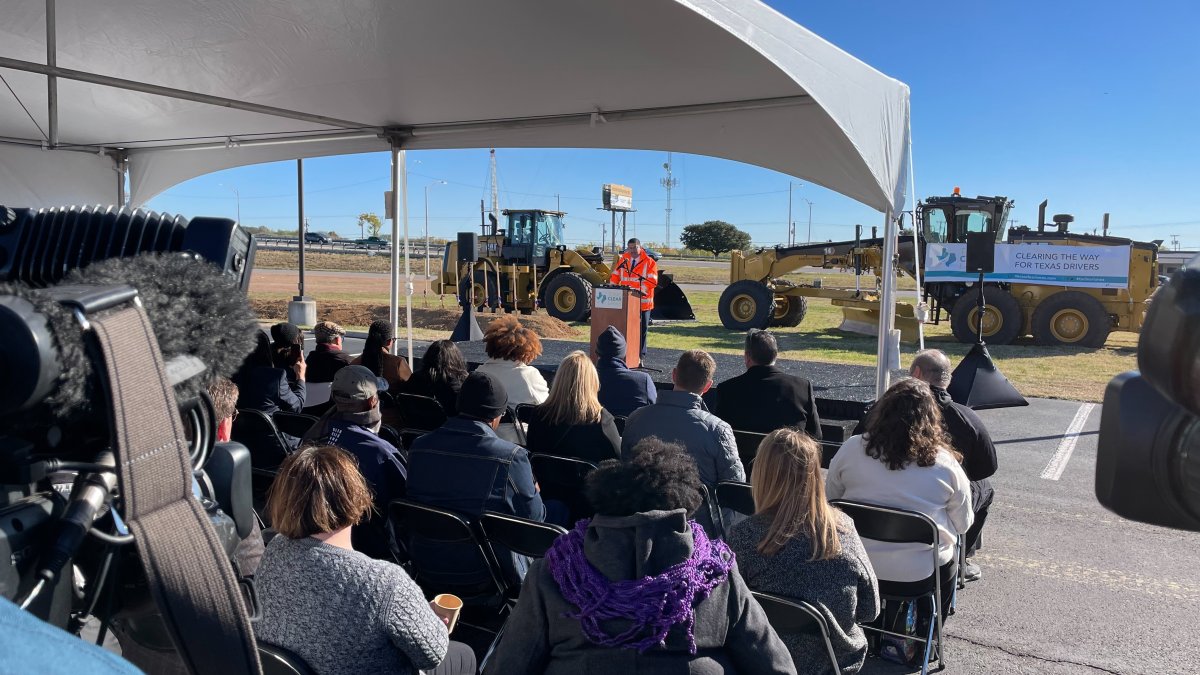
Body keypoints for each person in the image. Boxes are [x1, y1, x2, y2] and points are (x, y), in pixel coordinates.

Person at [482, 438, 796, 675]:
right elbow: (775, 666)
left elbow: (508, 665)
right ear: (684, 505)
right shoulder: (716, 572)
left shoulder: (554, 570)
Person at [254, 445, 476, 675]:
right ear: (352, 497)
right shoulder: (384, 583)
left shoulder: (274, 550)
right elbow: (433, 654)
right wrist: (429, 620)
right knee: (463, 655)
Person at [729, 428, 879, 674]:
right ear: (814, 475)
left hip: (763, 660)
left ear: (761, 474)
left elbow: (731, 611)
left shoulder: (743, 536)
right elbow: (869, 609)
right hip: (832, 663)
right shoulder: (843, 531)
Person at [826, 379, 973, 617]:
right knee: (951, 552)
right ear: (930, 419)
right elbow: (963, 524)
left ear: (881, 411)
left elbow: (831, 500)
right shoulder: (945, 464)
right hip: (918, 575)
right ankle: (930, 636)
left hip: (854, 563)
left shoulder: (851, 448)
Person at [406, 371, 549, 588]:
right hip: (485, 573)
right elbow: (534, 519)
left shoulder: (419, 446)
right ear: (497, 417)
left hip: (424, 564)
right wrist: (535, 489)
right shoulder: (511, 457)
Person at [621, 349, 743, 535]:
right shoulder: (718, 430)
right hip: (698, 530)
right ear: (708, 386)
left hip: (642, 524)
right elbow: (735, 487)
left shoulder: (636, 418)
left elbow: (626, 466)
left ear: (674, 375)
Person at [909, 349, 997, 582]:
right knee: (983, 488)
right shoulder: (965, 418)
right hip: (938, 502)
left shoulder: (881, 414)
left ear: (916, 373)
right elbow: (985, 468)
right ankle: (962, 560)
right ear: (947, 379)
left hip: (880, 502)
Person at [716, 329, 822, 440]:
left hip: (742, 457)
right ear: (775, 355)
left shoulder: (727, 390)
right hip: (787, 456)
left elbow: (719, 436)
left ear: (747, 357)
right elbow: (816, 437)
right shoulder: (802, 387)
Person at [526, 351, 621, 464]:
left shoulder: (538, 414)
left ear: (558, 379)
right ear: (592, 382)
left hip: (544, 480)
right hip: (588, 481)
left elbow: (531, 451)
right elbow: (617, 458)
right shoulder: (601, 419)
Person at [474, 315, 549, 407]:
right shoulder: (529, 375)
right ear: (527, 350)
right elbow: (546, 406)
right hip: (519, 421)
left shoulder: (479, 373)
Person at [608, 237, 658, 365]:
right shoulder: (624, 259)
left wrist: (638, 291)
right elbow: (615, 274)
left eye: (634, 248)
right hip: (625, 302)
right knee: (624, 329)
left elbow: (652, 281)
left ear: (640, 247)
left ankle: (640, 356)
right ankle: (624, 354)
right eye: (630, 248)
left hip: (643, 303)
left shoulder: (649, 262)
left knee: (642, 331)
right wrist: (612, 286)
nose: (632, 251)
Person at [232, 331, 306, 415]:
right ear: (266, 350)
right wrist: (300, 376)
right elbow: (296, 406)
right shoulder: (276, 377)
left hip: (238, 425)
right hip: (269, 427)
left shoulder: (228, 375)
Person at [593, 325, 656, 418]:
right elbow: (653, 413)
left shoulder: (585, 381)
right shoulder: (643, 381)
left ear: (598, 352)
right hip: (634, 432)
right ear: (623, 353)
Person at [403, 340, 469, 417]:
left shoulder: (415, 378)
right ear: (456, 358)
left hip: (414, 423)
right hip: (448, 425)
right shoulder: (458, 382)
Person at [352, 319, 412, 391]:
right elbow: (413, 387)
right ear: (389, 341)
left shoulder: (355, 363)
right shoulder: (398, 363)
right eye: (394, 340)